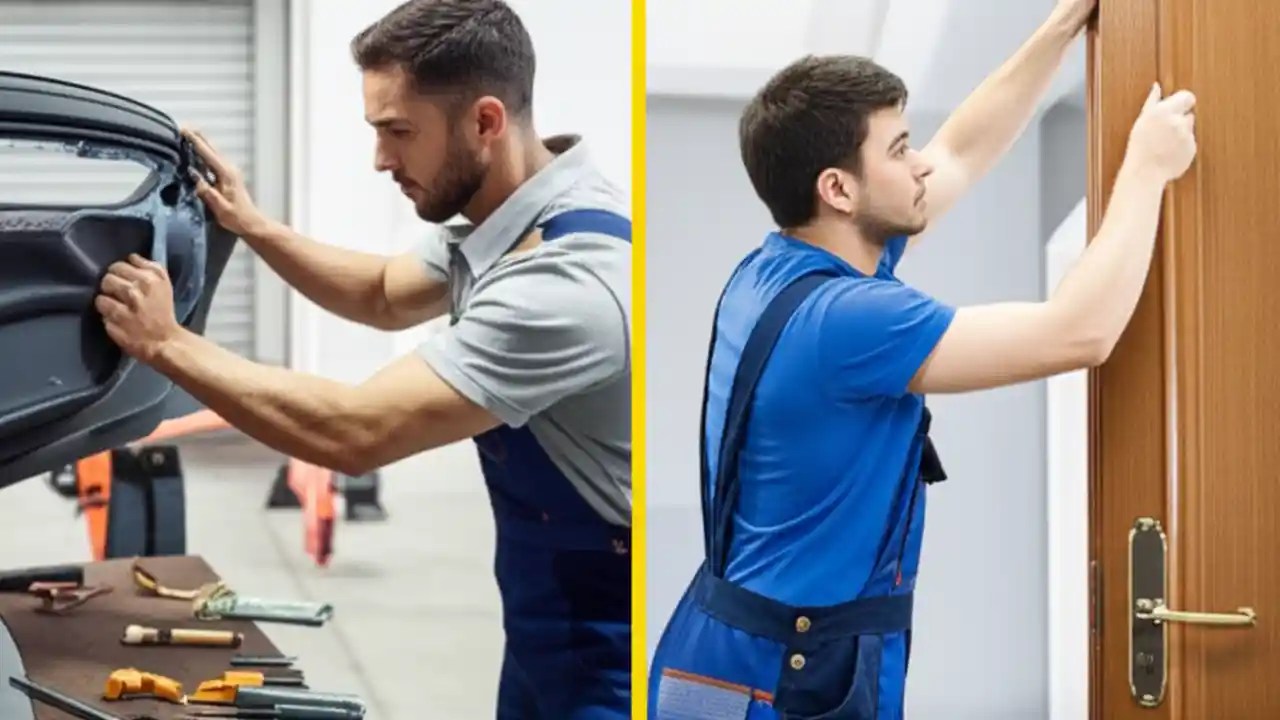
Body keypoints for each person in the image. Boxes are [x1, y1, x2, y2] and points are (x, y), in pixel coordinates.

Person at [648, 0, 1196, 718]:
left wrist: (1063, 25)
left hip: (718, 652)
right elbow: (1080, 333)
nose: (920, 165)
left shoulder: (773, 270)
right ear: (838, 189)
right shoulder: (849, 320)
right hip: (787, 672)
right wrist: (1148, 168)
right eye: (900, 150)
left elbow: (962, 151)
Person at [93, 1, 631, 717]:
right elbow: (381, 291)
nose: (381, 160)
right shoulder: (511, 214)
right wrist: (252, 226)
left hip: (609, 646)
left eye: (398, 132)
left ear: (485, 122)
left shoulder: (566, 283)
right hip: (549, 625)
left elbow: (354, 431)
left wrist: (167, 343)